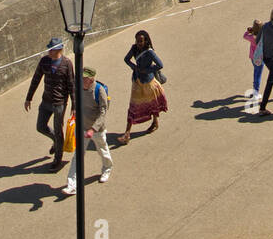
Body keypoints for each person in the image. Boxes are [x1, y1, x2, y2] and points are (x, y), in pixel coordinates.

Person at [24, 36, 76, 172]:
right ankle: (57, 141)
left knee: (59, 131)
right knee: (40, 126)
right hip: (46, 101)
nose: (49, 52)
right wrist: (29, 97)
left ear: (59, 50)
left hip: (59, 103)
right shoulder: (44, 62)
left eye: (51, 50)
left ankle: (57, 160)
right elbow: (36, 79)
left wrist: (74, 106)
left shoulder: (67, 64)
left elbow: (71, 85)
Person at [64, 67, 113, 195]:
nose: (81, 80)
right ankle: (71, 184)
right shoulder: (79, 88)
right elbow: (77, 103)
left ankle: (107, 168)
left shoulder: (99, 91)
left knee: (102, 150)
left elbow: (103, 112)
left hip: (96, 129)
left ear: (91, 79)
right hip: (81, 128)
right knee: (78, 156)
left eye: (84, 78)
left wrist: (93, 129)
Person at [118, 30, 167, 144]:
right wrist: (134, 67)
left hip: (148, 82)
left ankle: (155, 122)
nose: (139, 43)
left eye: (141, 41)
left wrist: (147, 70)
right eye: (137, 41)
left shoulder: (150, 52)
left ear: (145, 41)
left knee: (152, 103)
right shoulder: (134, 48)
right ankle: (127, 133)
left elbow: (160, 65)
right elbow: (126, 59)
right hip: (137, 81)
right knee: (133, 106)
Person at [244, 20, 264, 98]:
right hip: (260, 57)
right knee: (258, 75)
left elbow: (244, 36)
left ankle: (255, 90)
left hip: (253, 57)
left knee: (256, 72)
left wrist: (248, 31)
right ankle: (256, 92)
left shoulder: (251, 37)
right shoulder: (263, 36)